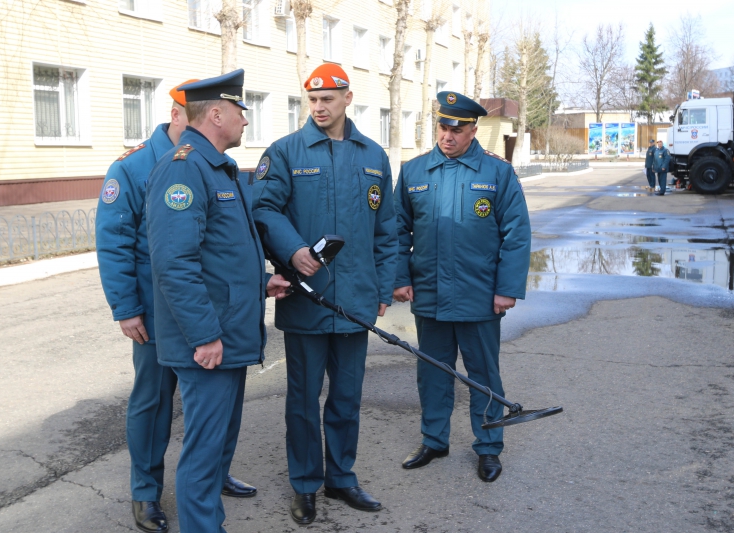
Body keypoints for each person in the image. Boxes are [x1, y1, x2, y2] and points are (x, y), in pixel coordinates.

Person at [145, 70, 290, 533]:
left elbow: (220, 255)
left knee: (217, 445)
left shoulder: (216, 166)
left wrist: (261, 281)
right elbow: (174, 262)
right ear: (215, 114)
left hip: (230, 331)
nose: (245, 121)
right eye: (240, 112)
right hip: (210, 339)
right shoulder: (184, 167)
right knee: (204, 452)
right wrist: (205, 335)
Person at [252, 63, 397, 525]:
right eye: (312, 100)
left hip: (356, 300)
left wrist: (383, 287)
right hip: (306, 297)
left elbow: (387, 231)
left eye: (328, 99)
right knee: (302, 397)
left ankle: (341, 477)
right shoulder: (286, 152)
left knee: (347, 396)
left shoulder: (373, 156)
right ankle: (304, 484)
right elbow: (262, 208)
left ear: (347, 99)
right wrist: (293, 250)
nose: (318, 107)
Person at [393, 91, 531, 483]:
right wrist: (400, 278)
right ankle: (434, 440)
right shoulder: (415, 172)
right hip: (430, 294)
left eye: (457, 129)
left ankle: (488, 448)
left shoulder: (497, 173)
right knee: (432, 373)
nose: (448, 135)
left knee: (483, 374)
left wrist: (506, 289)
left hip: (479, 295)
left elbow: (517, 235)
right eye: (443, 126)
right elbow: (396, 230)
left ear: (473, 130)